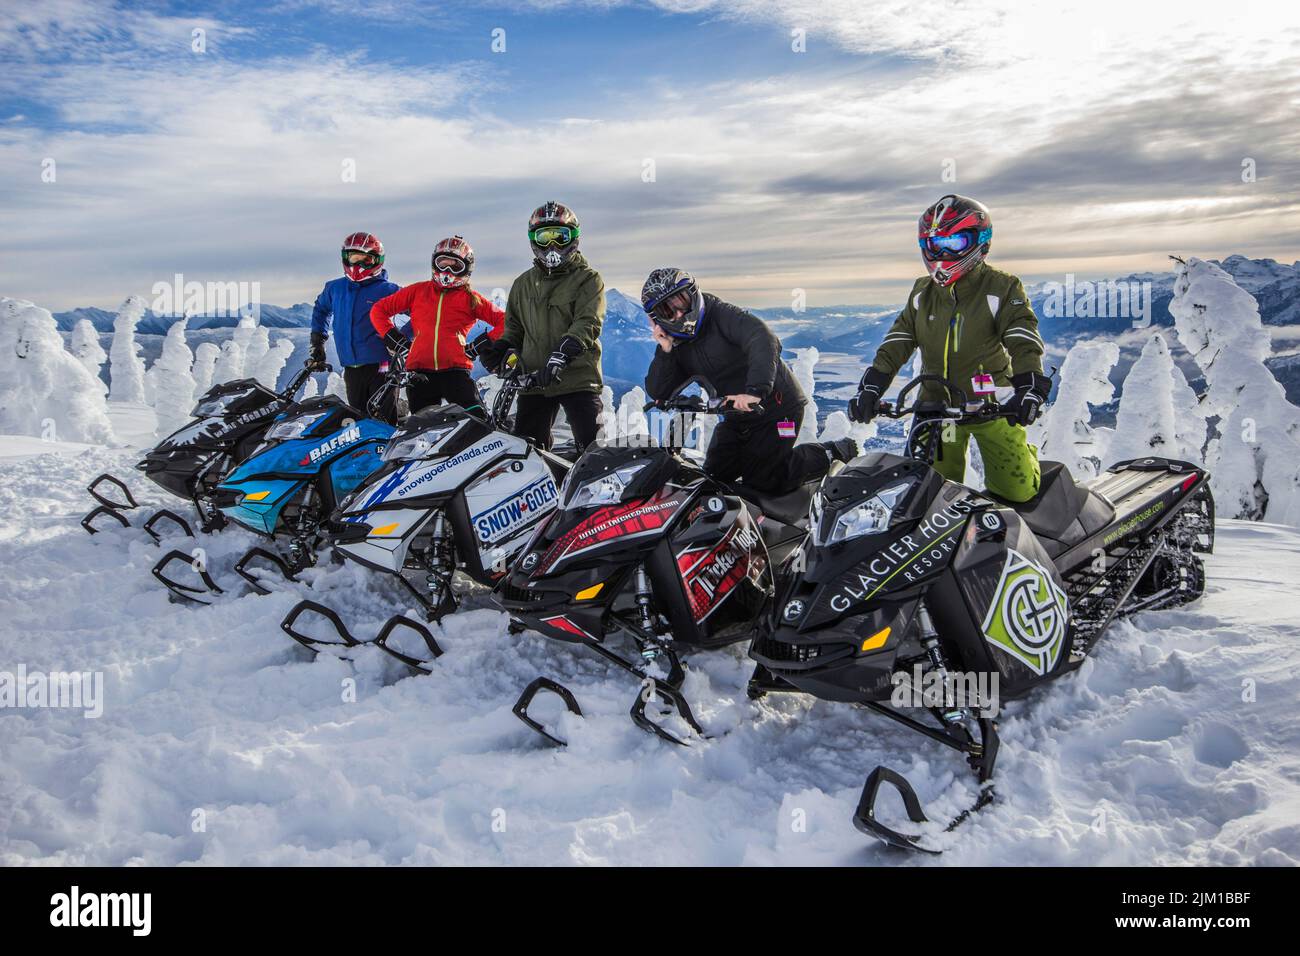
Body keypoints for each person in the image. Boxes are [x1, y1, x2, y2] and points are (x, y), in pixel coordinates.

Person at [847, 194, 1051, 503]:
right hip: (935, 408)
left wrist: (1030, 385)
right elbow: (897, 342)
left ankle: (1029, 465)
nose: (942, 252)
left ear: (979, 242)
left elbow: (1022, 334)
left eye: (953, 243)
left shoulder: (1001, 287)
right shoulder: (922, 293)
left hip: (992, 404)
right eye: (934, 244)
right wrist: (872, 387)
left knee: (1017, 489)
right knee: (926, 494)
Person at [642, 268, 856, 495]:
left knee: (764, 478)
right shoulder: (677, 344)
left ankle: (831, 453)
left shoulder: (721, 314)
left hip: (779, 408)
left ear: (693, 295)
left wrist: (756, 391)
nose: (677, 314)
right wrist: (665, 351)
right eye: (666, 310)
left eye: (680, 302)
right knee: (713, 480)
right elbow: (659, 390)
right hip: (737, 415)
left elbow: (763, 338)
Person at [479, 202, 604, 452]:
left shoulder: (588, 279)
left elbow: (588, 322)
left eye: (560, 236)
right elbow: (514, 328)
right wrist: (501, 348)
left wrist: (563, 353)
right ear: (533, 240)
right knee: (526, 452)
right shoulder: (522, 284)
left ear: (574, 238)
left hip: (577, 378)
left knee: (593, 448)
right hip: (534, 380)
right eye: (544, 237)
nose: (552, 245)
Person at [369, 236, 505, 415]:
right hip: (419, 373)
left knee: (476, 421)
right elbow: (378, 310)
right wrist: (395, 340)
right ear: (434, 264)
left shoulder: (471, 299)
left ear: (467, 268)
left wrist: (480, 344)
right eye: (442, 264)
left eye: (455, 266)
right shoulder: (418, 291)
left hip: (455, 371)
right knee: (422, 431)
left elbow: (506, 321)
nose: (447, 271)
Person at [309, 232, 402, 420]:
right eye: (354, 259)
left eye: (366, 260)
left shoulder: (388, 290)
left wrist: (400, 339)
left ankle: (391, 443)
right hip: (351, 366)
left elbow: (419, 312)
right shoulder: (334, 288)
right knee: (359, 419)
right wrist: (318, 341)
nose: (358, 265)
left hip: (382, 364)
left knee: (384, 417)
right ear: (345, 258)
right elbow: (320, 309)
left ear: (377, 261)